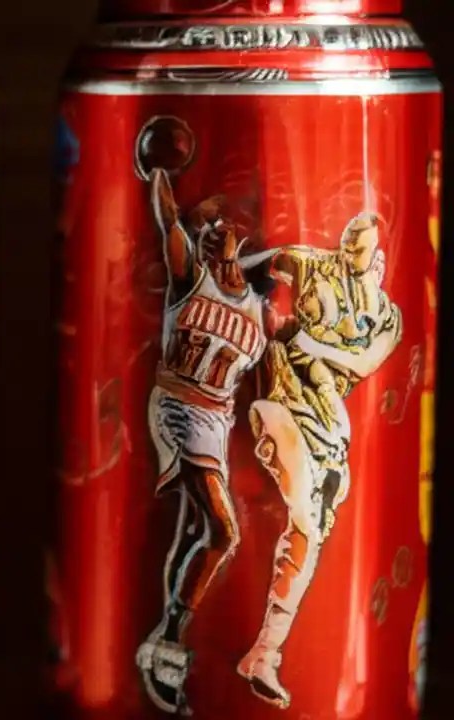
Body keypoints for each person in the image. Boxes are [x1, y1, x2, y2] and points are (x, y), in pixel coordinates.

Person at [238, 212, 403, 708]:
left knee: (307, 536)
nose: (349, 256)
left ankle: (264, 655)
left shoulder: (386, 314)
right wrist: (254, 312)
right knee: (305, 516)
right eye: (347, 245)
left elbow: (365, 362)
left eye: (361, 250)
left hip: (332, 428)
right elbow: (250, 266)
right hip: (280, 403)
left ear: (376, 254)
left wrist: (300, 337)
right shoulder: (313, 264)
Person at [136, 166, 271, 715]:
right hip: (176, 404)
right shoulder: (190, 274)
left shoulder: (262, 314)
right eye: (208, 224)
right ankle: (167, 640)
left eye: (224, 225)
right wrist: (158, 171)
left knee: (196, 532)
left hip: (218, 419)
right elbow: (168, 215)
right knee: (222, 530)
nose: (213, 231)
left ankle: (165, 642)